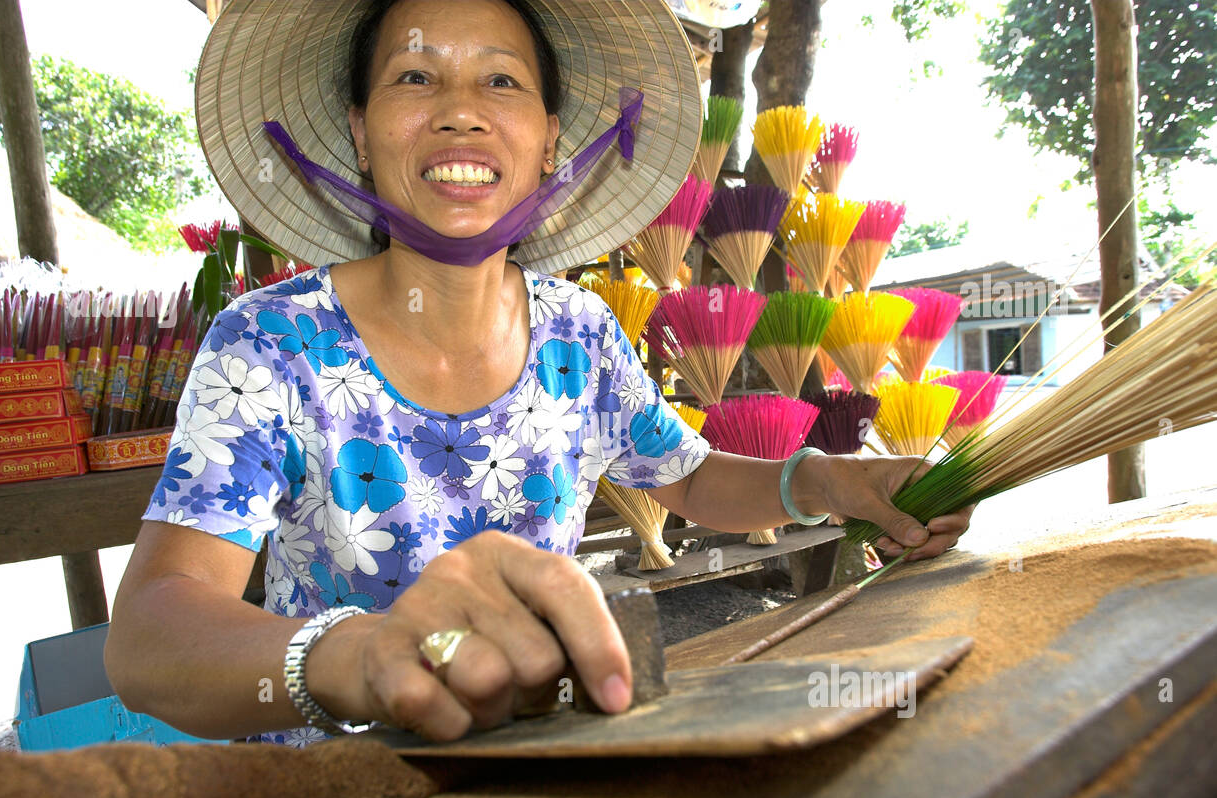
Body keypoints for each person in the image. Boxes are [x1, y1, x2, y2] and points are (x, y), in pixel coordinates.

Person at [107, 0, 975, 747]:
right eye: (414, 78)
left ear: (550, 141)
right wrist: (362, 656)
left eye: (501, 81)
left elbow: (692, 477)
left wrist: (830, 480)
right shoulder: (272, 344)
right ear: (360, 134)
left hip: (551, 771)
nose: (460, 114)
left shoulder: (579, 334)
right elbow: (152, 635)